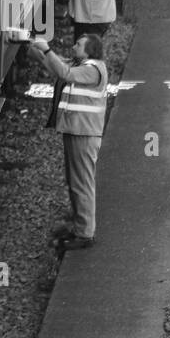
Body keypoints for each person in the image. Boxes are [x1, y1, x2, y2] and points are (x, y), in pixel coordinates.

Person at [28, 33, 108, 249]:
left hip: (84, 133)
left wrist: (45, 49)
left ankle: (84, 234)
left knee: (81, 182)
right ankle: (79, 226)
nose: (74, 46)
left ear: (90, 50)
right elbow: (57, 64)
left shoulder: (92, 69)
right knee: (76, 181)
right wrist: (32, 46)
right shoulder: (83, 64)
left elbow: (64, 72)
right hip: (77, 131)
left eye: (78, 45)